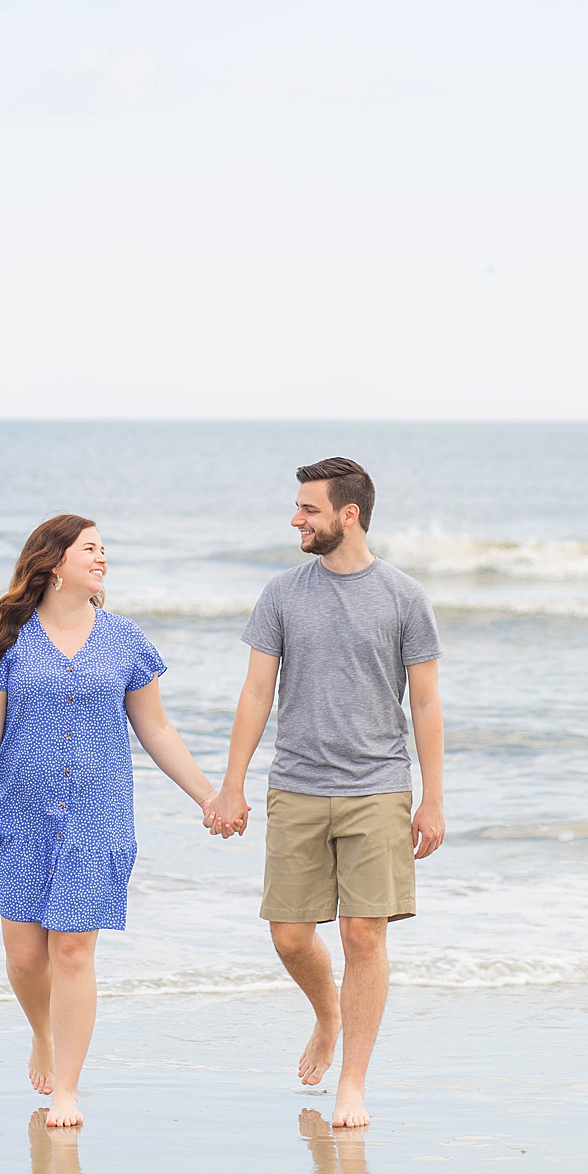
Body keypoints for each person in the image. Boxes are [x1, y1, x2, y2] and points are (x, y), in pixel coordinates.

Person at [0, 513, 218, 1129]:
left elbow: (155, 728)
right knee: (25, 958)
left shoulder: (125, 640)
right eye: (90, 549)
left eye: (104, 549)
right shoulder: (7, 639)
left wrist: (207, 795)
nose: (102, 559)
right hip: (18, 814)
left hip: (97, 815)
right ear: (53, 562)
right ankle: (42, 1035)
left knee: (72, 950)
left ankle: (67, 1090)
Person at [205, 457, 445, 1130]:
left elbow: (425, 704)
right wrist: (232, 782)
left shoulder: (404, 596)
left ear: (349, 514)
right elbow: (256, 692)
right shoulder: (282, 593)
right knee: (288, 936)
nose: (295, 519)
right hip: (298, 785)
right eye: (297, 507)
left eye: (308, 508)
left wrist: (432, 797)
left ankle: (353, 1084)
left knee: (363, 933)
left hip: (379, 786)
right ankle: (327, 1011)